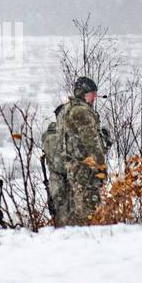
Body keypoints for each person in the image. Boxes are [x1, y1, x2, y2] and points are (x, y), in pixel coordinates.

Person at [51, 76, 109, 225]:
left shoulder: (67, 109)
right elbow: (92, 144)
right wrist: (101, 168)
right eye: (92, 93)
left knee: (76, 208)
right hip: (85, 169)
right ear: (83, 93)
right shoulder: (82, 112)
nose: (95, 97)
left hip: (73, 167)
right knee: (89, 209)